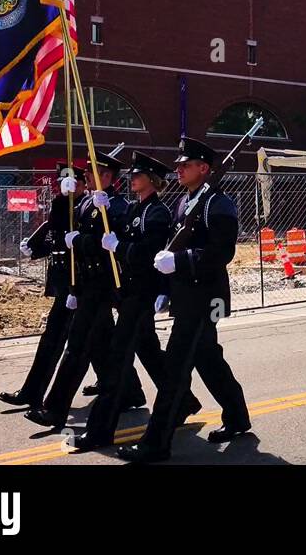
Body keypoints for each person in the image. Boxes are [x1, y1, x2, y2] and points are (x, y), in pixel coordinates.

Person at [117, 138, 250, 463]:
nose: (178, 169)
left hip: (205, 298)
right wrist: (166, 286)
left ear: (204, 168)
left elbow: (222, 252)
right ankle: (237, 417)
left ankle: (155, 445)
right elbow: (171, 248)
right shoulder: (184, 203)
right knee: (207, 359)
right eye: (178, 164)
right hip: (185, 295)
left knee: (176, 368)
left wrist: (181, 261)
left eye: (185, 164)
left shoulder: (218, 204)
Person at [72, 152, 201, 451]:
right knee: (149, 350)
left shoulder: (157, 213)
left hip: (142, 294)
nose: (132, 179)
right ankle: (183, 400)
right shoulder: (133, 209)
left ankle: (100, 430)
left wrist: (121, 248)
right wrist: (99, 205)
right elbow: (115, 232)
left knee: (118, 359)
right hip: (129, 292)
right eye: (132, 175)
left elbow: (148, 254)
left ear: (152, 181)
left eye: (138, 175)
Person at [25, 152, 145, 429]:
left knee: (77, 347)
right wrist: (64, 199)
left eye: (91, 173)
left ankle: (54, 409)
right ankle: (131, 393)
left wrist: (86, 236)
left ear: (106, 177)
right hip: (86, 284)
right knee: (101, 345)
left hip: (104, 285)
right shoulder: (87, 202)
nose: (85, 176)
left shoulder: (116, 206)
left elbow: (110, 245)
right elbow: (60, 228)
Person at [0, 164, 86, 407]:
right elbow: (55, 230)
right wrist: (35, 248)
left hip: (80, 283)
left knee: (57, 338)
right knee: (98, 343)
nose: (66, 186)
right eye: (62, 183)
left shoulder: (88, 206)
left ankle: (34, 393)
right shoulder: (63, 205)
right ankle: (129, 389)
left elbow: (76, 237)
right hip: (64, 281)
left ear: (83, 183)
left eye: (72, 182)